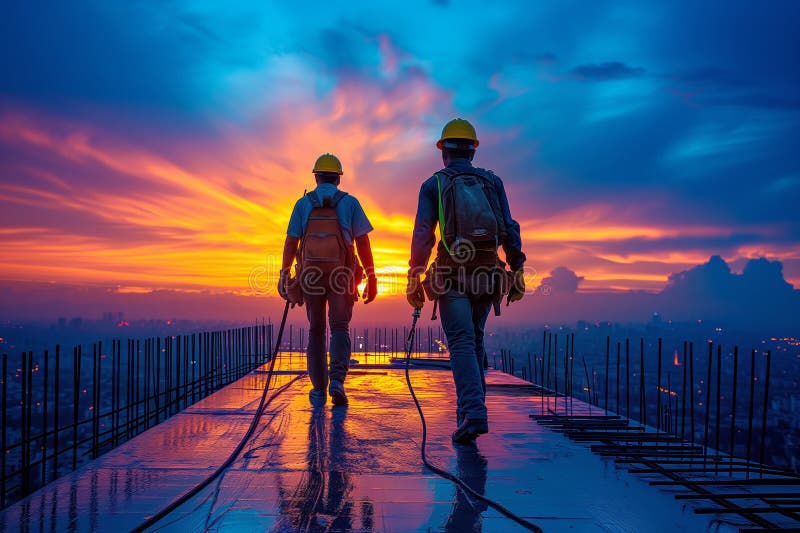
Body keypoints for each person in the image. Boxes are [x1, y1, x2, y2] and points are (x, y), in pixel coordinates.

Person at [406, 119, 526, 443]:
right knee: (474, 340)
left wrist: (414, 274)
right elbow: (509, 228)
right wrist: (518, 267)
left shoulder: (434, 184)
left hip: (452, 275)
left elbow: (423, 234)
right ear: (473, 149)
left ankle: (473, 412)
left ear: (443, 150)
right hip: (487, 275)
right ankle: (469, 413)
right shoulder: (492, 182)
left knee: (460, 342)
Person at [279, 153, 377, 407]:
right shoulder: (350, 203)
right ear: (338, 179)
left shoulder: (303, 204)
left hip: (310, 276)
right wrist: (371, 275)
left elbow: (292, 241)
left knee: (316, 330)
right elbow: (363, 241)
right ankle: (337, 381)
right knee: (340, 327)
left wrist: (284, 273)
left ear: (316, 176)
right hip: (341, 275)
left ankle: (319, 388)